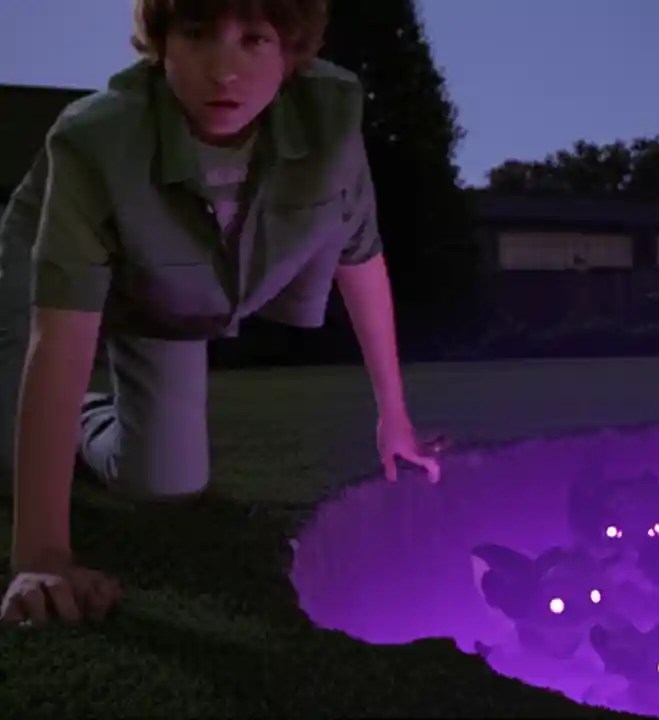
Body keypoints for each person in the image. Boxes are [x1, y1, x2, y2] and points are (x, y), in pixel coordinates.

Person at [0, 0, 446, 627]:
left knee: (167, 482)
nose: (224, 70)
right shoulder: (95, 140)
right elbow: (60, 336)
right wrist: (42, 555)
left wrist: (394, 419)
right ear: (162, 44)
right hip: (46, 262)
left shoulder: (330, 117)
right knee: (11, 451)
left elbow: (360, 256)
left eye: (254, 39)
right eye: (197, 35)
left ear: (290, 53)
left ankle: (83, 418)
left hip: (169, 284)